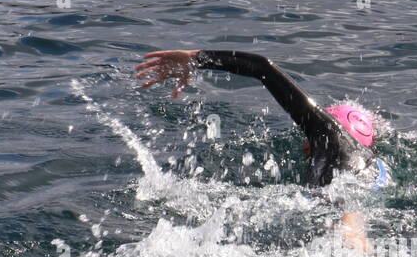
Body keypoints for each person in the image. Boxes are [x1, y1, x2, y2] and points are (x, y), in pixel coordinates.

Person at [134, 49, 389, 192]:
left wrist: (195, 59)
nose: (304, 145)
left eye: (307, 135)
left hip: (339, 214)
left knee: (347, 219)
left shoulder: (330, 136)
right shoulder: (372, 164)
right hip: (346, 206)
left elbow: (262, 68)